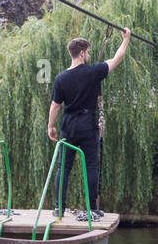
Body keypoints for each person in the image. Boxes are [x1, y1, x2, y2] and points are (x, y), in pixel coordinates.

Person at [48, 28, 130, 217]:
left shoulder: (61, 78)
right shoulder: (94, 71)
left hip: (68, 125)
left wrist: (50, 126)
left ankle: (59, 208)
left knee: (64, 167)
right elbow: (116, 59)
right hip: (87, 123)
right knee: (90, 166)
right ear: (83, 53)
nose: (89, 55)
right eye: (88, 52)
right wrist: (125, 39)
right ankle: (92, 208)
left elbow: (55, 105)